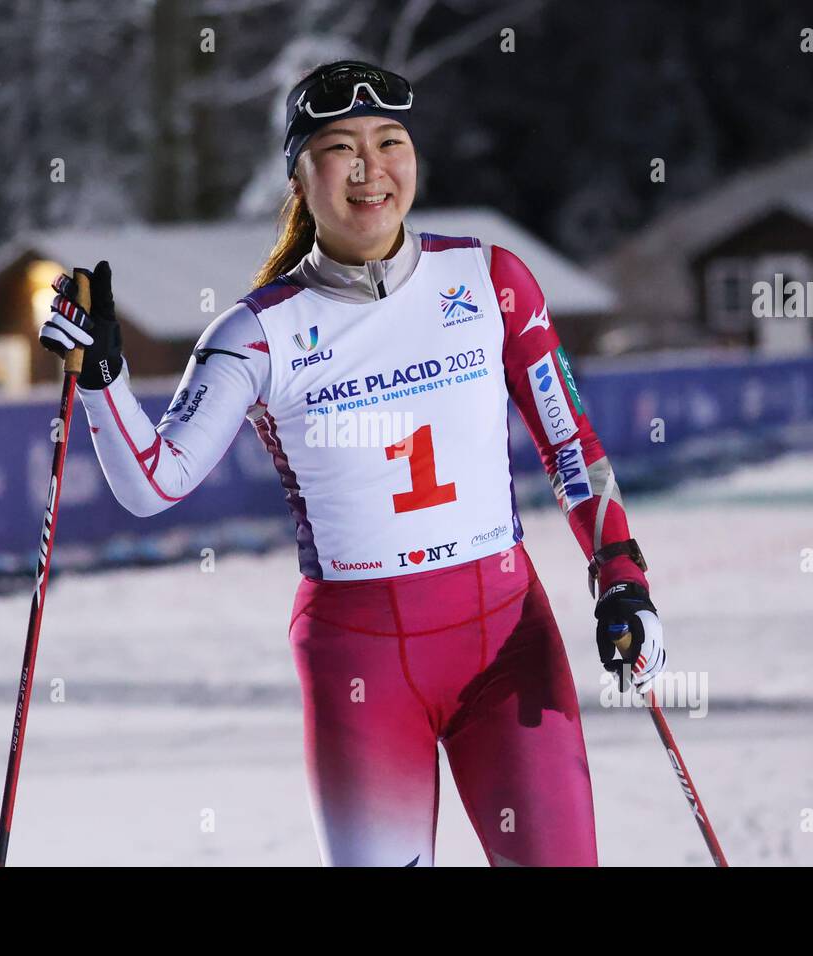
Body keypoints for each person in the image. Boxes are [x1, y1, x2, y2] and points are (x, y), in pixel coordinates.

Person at [38, 60, 666, 867]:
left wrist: (622, 577)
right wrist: (102, 381)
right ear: (300, 175)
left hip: (505, 641)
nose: (371, 170)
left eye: (390, 142)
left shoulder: (490, 280)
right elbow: (156, 482)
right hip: (362, 661)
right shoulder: (256, 331)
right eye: (341, 147)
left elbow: (572, 445)